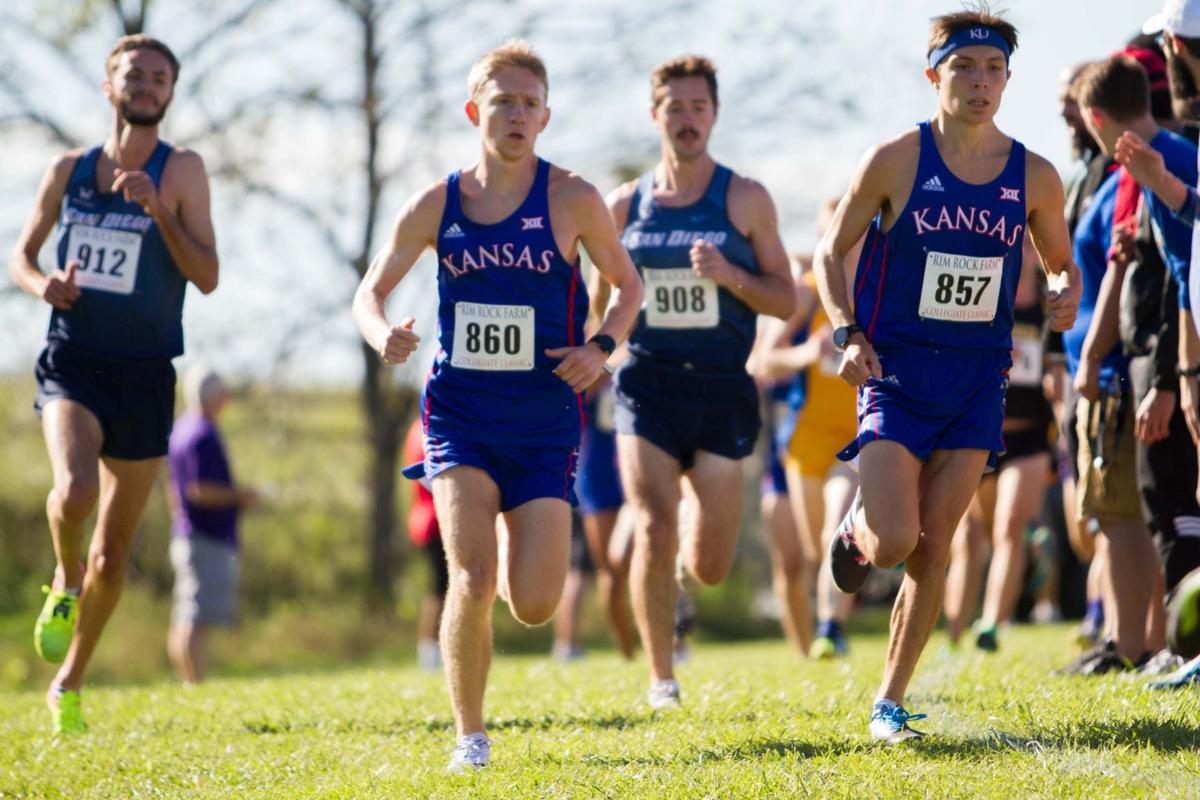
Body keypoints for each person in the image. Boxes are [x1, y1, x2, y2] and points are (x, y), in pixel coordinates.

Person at [351, 41, 641, 771]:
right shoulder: (437, 203)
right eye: (502, 101)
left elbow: (628, 287)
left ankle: (512, 535)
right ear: (475, 111)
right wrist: (383, 332)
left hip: (544, 417)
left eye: (529, 103)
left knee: (534, 602)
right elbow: (369, 290)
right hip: (460, 414)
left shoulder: (573, 197)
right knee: (470, 578)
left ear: (546, 117)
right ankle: (469, 738)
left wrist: (600, 346)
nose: (516, 114)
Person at [813, 7, 1079, 743]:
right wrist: (844, 329)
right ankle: (860, 533)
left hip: (976, 383)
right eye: (964, 67)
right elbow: (829, 253)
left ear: (1008, 80)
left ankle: (888, 702)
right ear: (934, 75)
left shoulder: (1036, 175)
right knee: (895, 539)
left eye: (993, 69)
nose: (980, 82)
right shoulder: (897, 158)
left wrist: (1063, 294)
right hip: (895, 374)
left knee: (935, 544)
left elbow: (1061, 264)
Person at [9, 35, 218, 734]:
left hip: (146, 374)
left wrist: (159, 209)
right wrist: (46, 286)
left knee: (115, 551)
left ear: (170, 92)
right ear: (110, 85)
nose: (149, 85)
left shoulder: (182, 171)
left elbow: (208, 276)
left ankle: (70, 680)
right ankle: (64, 581)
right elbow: (22, 255)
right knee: (74, 490)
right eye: (136, 74)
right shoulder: (67, 169)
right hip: (74, 357)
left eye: (161, 78)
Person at [607, 55, 795, 710]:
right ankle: (663, 678)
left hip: (722, 388)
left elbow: (785, 298)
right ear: (654, 113)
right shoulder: (622, 205)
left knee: (709, 565)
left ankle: (683, 546)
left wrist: (731, 277)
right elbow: (596, 298)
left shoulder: (745, 198)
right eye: (675, 108)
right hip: (647, 383)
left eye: (698, 107)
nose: (687, 120)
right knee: (653, 528)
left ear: (714, 114)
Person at [943, 236, 1055, 653]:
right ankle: (953, 632)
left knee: (1009, 526)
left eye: (1029, 246)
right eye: (1016, 245)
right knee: (969, 535)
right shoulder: (985, 297)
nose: (1021, 254)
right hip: (982, 434)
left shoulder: (1049, 305)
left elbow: (1062, 362)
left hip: (1029, 438)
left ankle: (992, 623)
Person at [166, 365, 258, 684]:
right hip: (204, 534)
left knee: (186, 612)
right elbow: (199, 490)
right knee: (196, 616)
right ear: (212, 396)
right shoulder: (202, 434)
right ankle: (195, 683)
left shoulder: (181, 429)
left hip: (188, 531)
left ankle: (190, 680)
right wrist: (240, 496)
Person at [403, 419, 446, 670]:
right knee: (441, 589)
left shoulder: (414, 429)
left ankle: (430, 651)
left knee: (440, 588)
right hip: (436, 518)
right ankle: (430, 652)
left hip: (423, 518)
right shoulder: (431, 429)